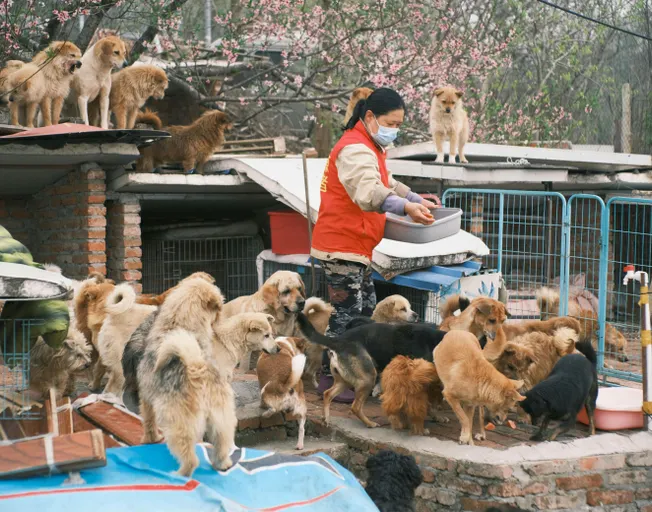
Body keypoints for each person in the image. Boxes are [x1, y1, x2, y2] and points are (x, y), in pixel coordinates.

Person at [311, 86, 439, 339]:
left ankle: (351, 372)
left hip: (356, 247)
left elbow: (386, 181)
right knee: (347, 320)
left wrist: (414, 198)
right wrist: (406, 207)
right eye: (391, 123)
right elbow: (369, 191)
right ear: (370, 117)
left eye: (399, 125)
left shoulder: (369, 146)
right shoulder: (355, 149)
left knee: (365, 314)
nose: (395, 130)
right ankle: (329, 375)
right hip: (341, 246)